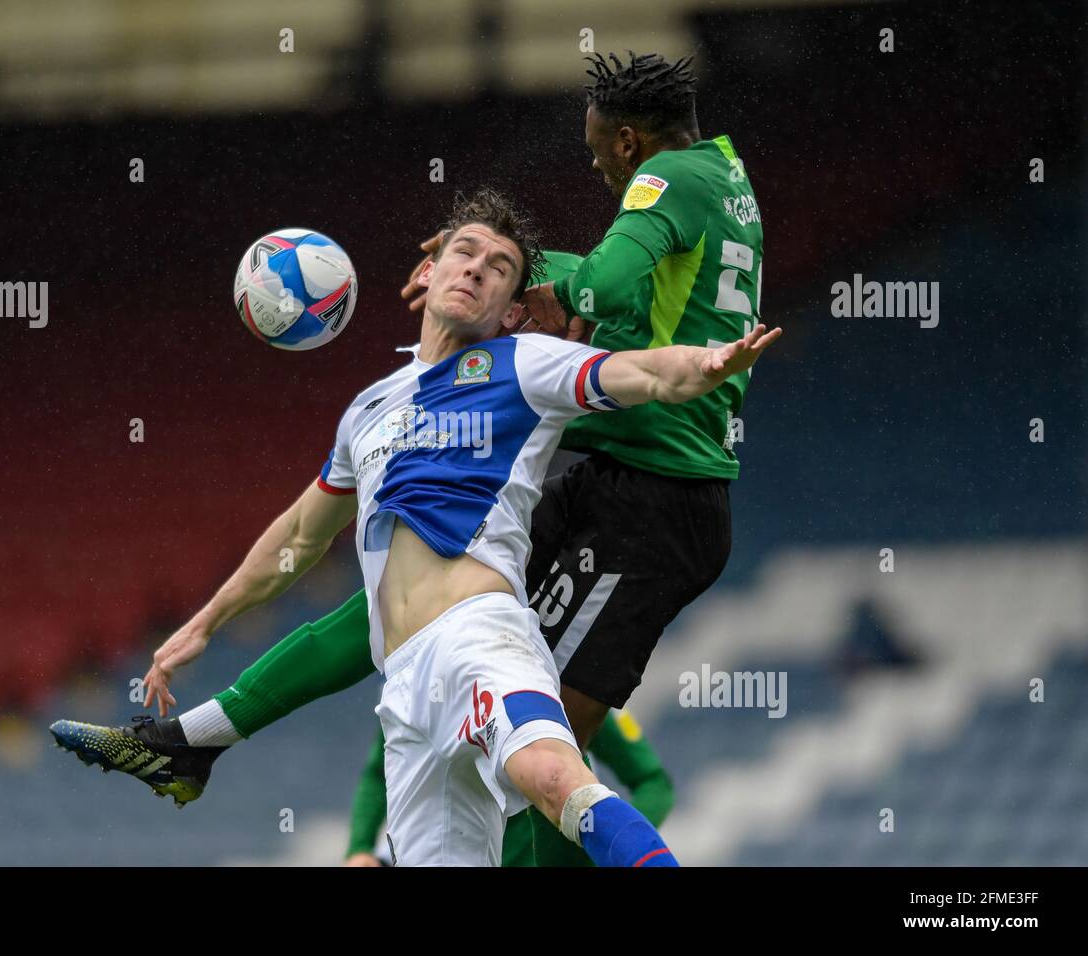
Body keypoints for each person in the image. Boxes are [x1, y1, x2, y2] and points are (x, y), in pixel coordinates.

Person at [52, 188, 779, 865]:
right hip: (406, 697)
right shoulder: (370, 408)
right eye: (465, 252)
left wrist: (705, 364)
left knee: (555, 778)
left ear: (510, 308)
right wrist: (206, 622)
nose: (479, 269)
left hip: (482, 642)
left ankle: (192, 744)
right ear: (428, 271)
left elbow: (644, 375)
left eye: (501, 268)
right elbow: (301, 538)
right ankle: (193, 745)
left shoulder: (525, 364)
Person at [343, 708, 676, 866]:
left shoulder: (567, 692)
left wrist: (608, 845)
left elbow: (654, 782)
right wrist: (359, 848)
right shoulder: (424, 681)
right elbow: (378, 773)